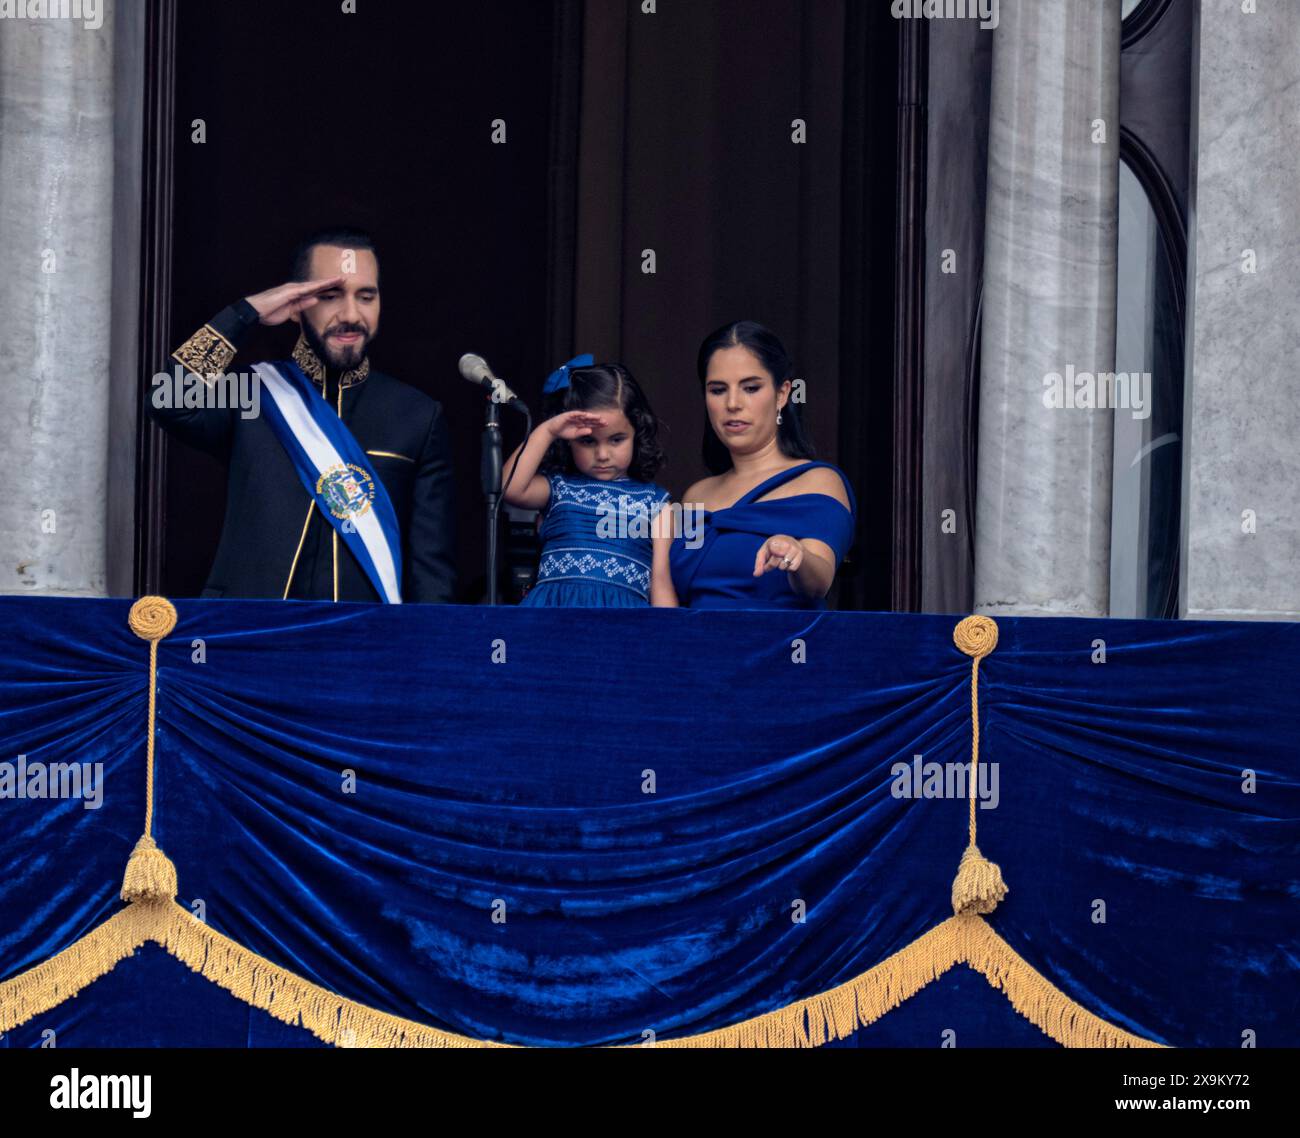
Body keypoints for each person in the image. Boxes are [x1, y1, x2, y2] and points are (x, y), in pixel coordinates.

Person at [151, 226, 456, 603]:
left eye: (366, 296)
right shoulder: (253, 392)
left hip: (365, 643)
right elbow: (168, 398)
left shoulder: (417, 415)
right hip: (253, 633)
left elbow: (431, 572)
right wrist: (246, 314)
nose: (350, 314)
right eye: (329, 296)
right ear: (296, 304)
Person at [669, 321, 856, 609]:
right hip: (695, 650)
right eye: (718, 390)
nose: (733, 403)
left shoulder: (818, 480)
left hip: (777, 650)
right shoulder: (697, 495)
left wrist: (797, 555)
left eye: (751, 388)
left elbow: (819, 581)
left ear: (782, 394)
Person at [503, 357, 675, 607]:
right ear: (568, 440)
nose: (603, 454)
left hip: (622, 624)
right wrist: (548, 431)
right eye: (588, 441)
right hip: (551, 617)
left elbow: (661, 581)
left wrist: (671, 641)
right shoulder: (559, 488)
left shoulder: (656, 504)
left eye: (616, 440)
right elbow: (509, 486)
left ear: (636, 433)